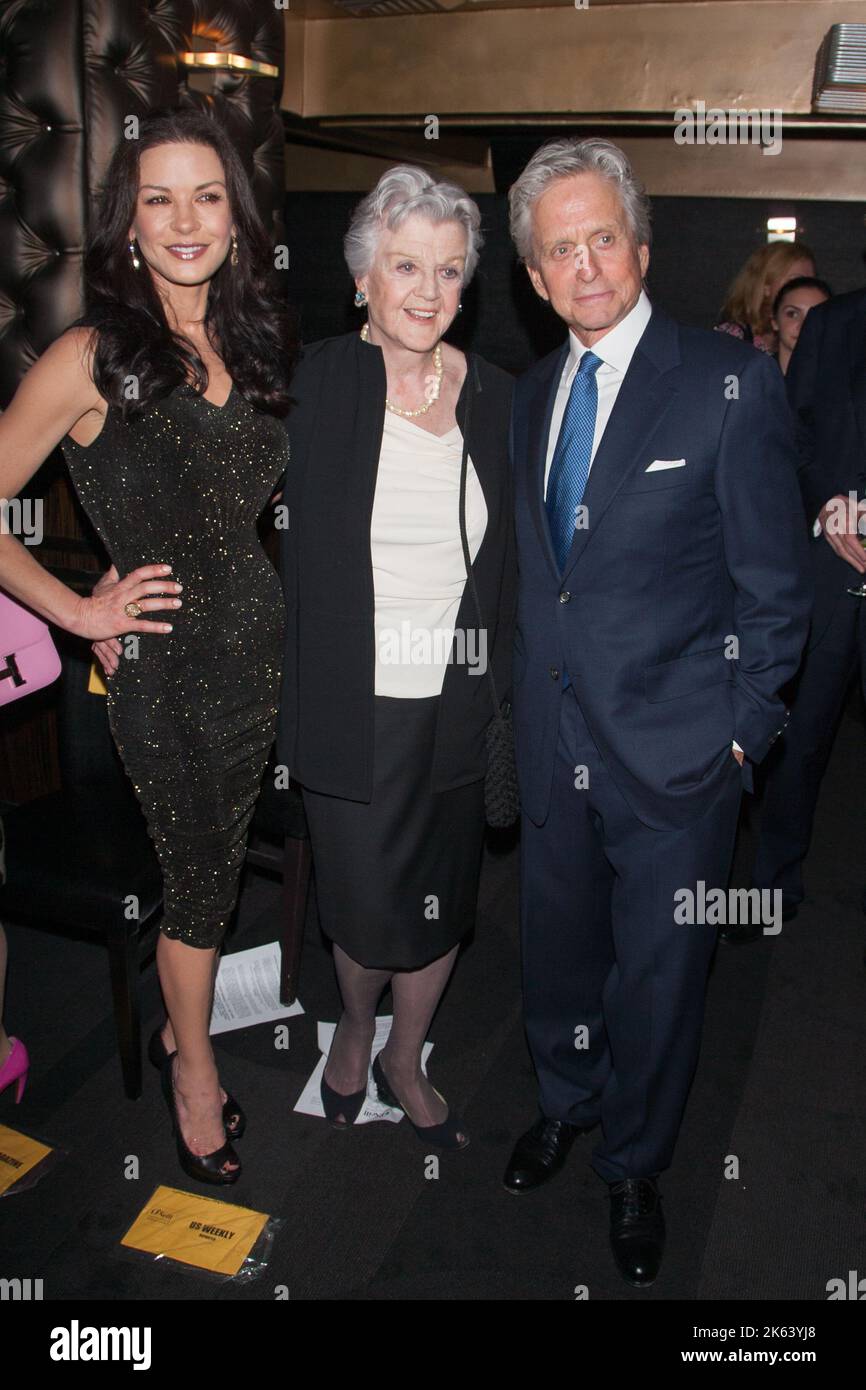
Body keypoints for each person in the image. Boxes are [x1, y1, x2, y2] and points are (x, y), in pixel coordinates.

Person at [503, 137, 812, 1286]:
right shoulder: (531, 393)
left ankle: (632, 1159)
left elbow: (777, 595)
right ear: (532, 280)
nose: (583, 265)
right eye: (556, 251)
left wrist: (740, 736)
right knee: (558, 954)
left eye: (599, 239)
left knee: (661, 973)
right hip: (551, 738)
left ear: (638, 244)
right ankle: (564, 1099)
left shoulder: (727, 383)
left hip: (679, 754)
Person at [8, 107, 296, 1185]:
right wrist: (81, 611)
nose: (186, 219)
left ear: (235, 216)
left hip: (253, 659)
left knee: (211, 876)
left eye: (207, 196)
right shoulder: (91, 356)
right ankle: (191, 1070)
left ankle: (184, 1028)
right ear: (128, 222)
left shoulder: (255, 336)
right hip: (167, 674)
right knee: (197, 887)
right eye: (160, 197)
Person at [278, 166, 516, 1147]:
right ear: (361, 278)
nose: (428, 289)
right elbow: (208, 498)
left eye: (450, 271)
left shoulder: (499, 397)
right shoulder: (313, 383)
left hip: (459, 704)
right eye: (405, 264)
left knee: (441, 906)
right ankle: (354, 1032)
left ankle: (404, 1056)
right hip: (351, 705)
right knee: (367, 913)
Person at [749, 288, 866, 928]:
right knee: (804, 734)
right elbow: (789, 435)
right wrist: (824, 503)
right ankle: (773, 883)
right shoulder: (833, 324)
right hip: (831, 567)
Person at [715, 241, 816, 354]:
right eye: (797, 281)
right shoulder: (732, 339)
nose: (807, 289)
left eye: (811, 282)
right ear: (765, 286)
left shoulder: (815, 333)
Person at [770, 275, 831, 375]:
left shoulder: (848, 379)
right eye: (792, 314)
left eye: (816, 315)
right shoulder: (753, 377)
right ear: (775, 321)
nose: (804, 325)